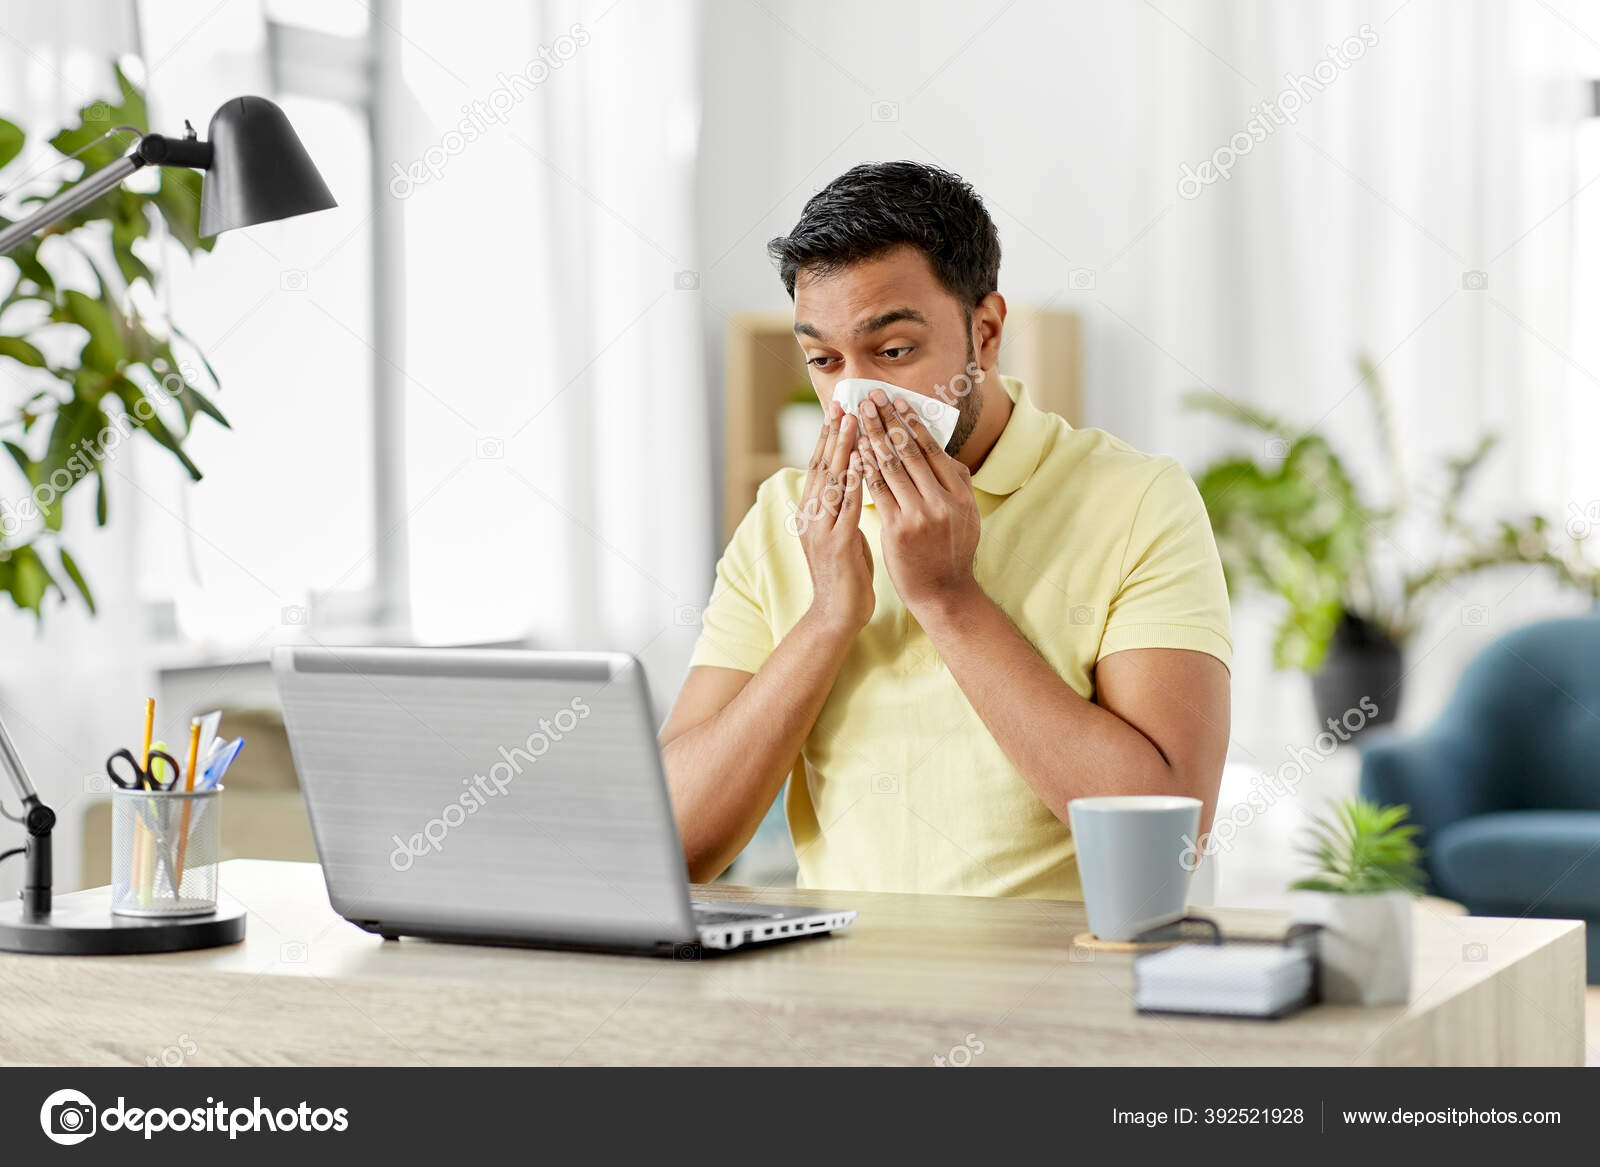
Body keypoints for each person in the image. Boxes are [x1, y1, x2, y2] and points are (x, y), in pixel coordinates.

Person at [661, 161, 1231, 899]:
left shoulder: (1136, 501)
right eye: (825, 361)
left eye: (893, 352)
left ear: (986, 333)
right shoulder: (785, 517)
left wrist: (949, 601)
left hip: (1063, 989)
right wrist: (828, 617)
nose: (855, 397)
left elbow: (1168, 840)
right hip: (838, 984)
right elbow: (672, 846)